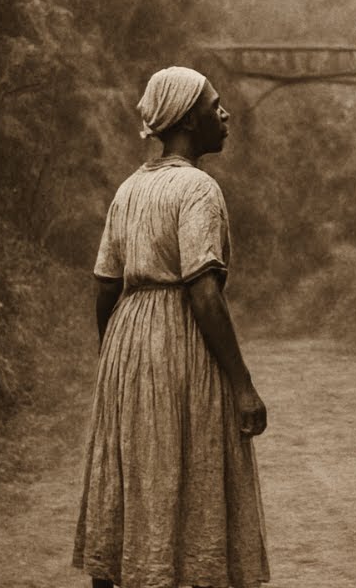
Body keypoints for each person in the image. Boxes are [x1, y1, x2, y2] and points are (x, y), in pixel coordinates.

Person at [73, 67, 269, 588]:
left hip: (127, 338)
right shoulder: (198, 188)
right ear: (186, 119)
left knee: (135, 470)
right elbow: (203, 292)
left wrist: (114, 360)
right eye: (214, 106)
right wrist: (242, 385)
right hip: (180, 337)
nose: (224, 115)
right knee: (190, 465)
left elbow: (104, 286)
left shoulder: (128, 189)